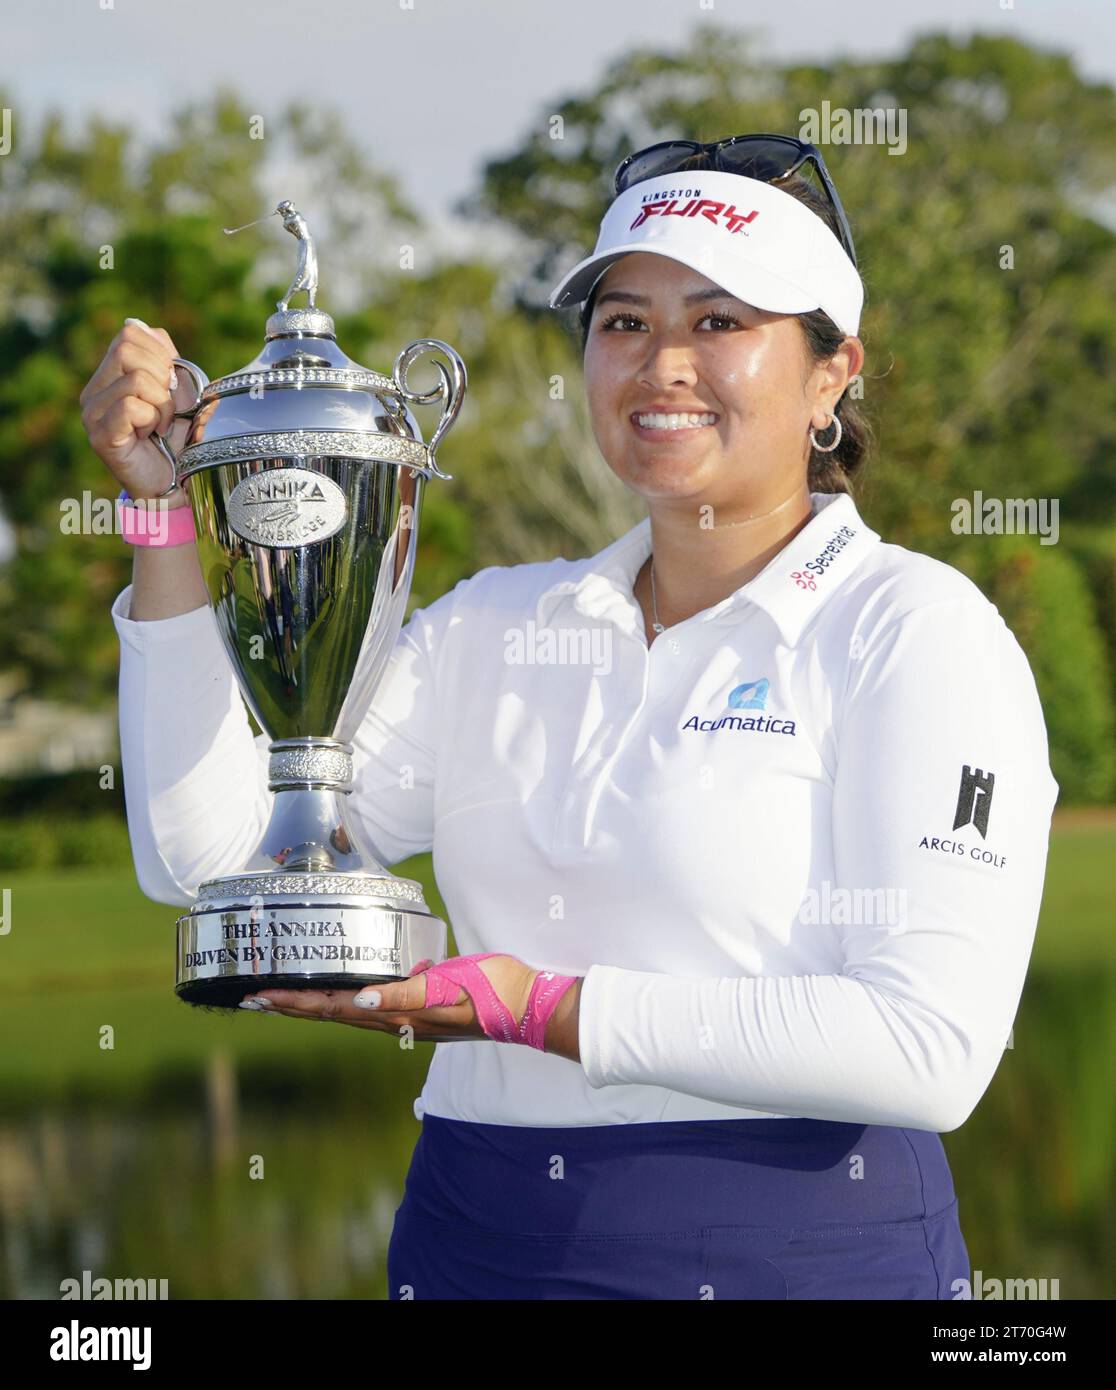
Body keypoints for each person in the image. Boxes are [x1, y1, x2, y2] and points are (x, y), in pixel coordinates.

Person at [81, 134, 1059, 1301]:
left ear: (834, 371)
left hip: (805, 1250)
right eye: (624, 322)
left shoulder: (913, 629)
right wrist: (173, 524)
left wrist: (534, 1006)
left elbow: (930, 1049)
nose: (662, 365)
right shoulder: (498, 622)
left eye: (719, 321)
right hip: (475, 1238)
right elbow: (210, 862)